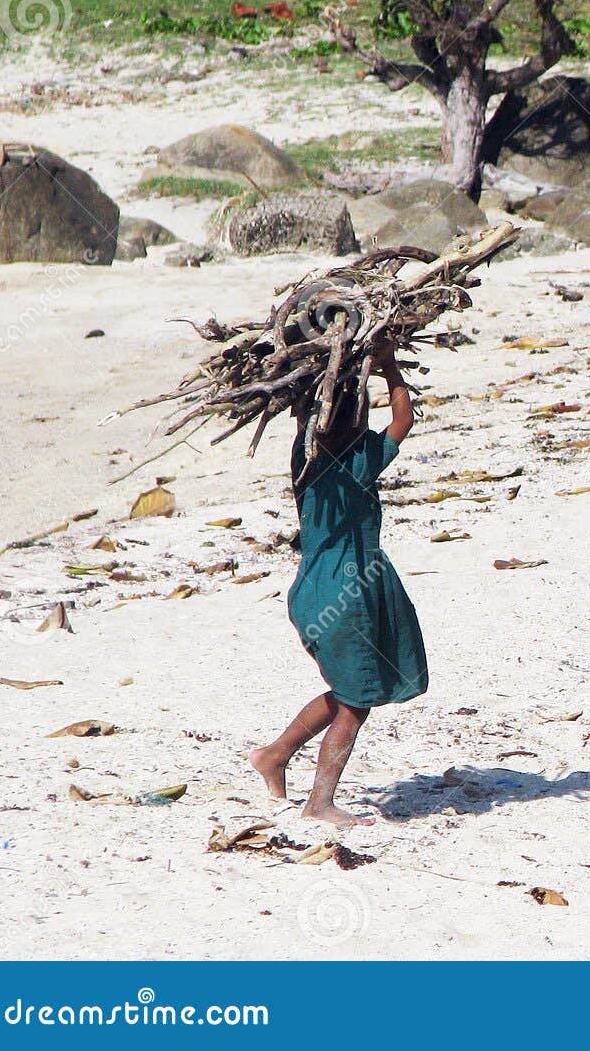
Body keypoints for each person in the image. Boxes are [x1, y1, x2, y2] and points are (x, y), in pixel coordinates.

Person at [250, 343, 427, 827]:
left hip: (311, 589)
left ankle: (275, 756)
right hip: (349, 592)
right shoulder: (359, 460)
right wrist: (390, 366)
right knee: (356, 700)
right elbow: (404, 420)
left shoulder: (305, 462)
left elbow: (317, 416)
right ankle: (319, 802)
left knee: (348, 689)